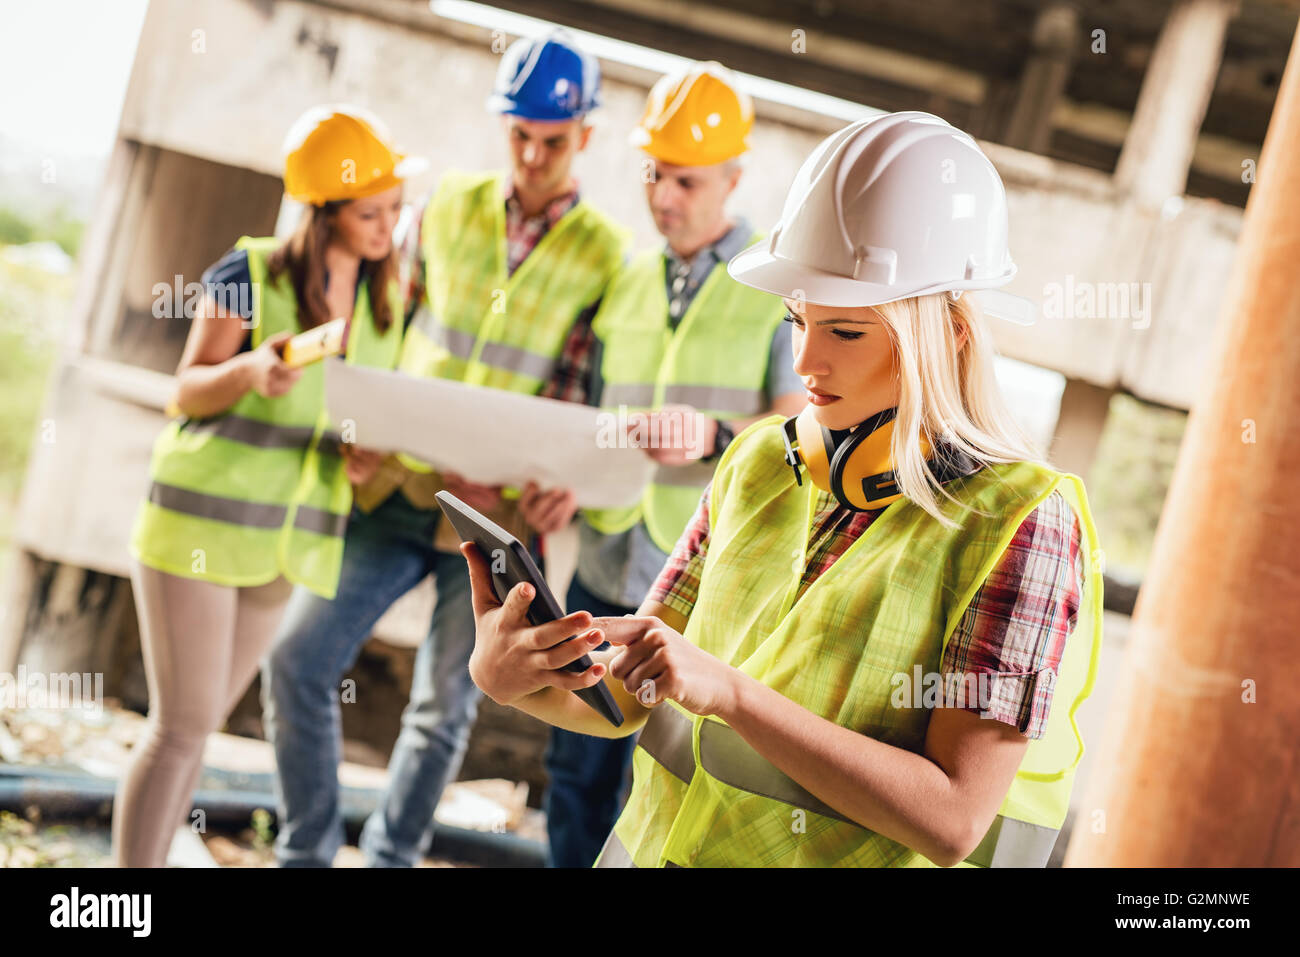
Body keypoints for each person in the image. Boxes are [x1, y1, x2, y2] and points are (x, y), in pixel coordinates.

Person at [460, 111, 1104, 868]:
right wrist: (506, 676)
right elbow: (630, 696)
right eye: (798, 319)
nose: (806, 359)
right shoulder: (759, 463)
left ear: (950, 332)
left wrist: (730, 694)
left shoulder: (1023, 522)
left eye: (847, 331)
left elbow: (954, 814)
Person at [260, 28, 629, 867]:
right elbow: (389, 327)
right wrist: (362, 426)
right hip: (400, 486)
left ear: (587, 139)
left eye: (554, 142)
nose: (533, 157)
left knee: (445, 704)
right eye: (519, 135)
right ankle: (306, 853)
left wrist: (565, 483)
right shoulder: (447, 204)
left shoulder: (606, 254)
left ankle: (389, 859)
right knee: (297, 661)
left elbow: (587, 393)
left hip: (495, 527)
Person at [113, 105, 413, 867]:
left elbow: (352, 423)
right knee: (180, 727)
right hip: (201, 526)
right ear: (326, 211)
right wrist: (249, 369)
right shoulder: (248, 273)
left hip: (288, 545)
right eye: (370, 212)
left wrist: (365, 461)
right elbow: (187, 388)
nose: (387, 225)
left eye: (394, 209)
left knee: (199, 725)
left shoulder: (386, 307)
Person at [542, 61, 805, 867]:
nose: (665, 197)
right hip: (603, 552)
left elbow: (805, 422)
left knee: (648, 778)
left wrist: (717, 435)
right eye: (656, 175)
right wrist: (565, 477)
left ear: (733, 176)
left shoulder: (773, 282)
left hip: (693, 578)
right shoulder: (624, 275)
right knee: (571, 768)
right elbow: (593, 410)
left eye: (686, 182)